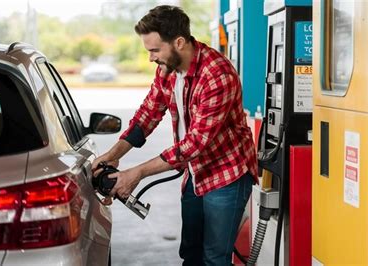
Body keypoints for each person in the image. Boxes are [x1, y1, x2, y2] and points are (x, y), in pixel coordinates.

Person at [92, 5, 258, 266]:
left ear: (179, 42)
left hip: (226, 173)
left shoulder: (217, 75)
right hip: (195, 173)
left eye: (155, 50)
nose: (151, 58)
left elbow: (194, 145)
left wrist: (136, 173)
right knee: (190, 254)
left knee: (214, 258)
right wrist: (112, 156)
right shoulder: (167, 69)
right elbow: (148, 113)